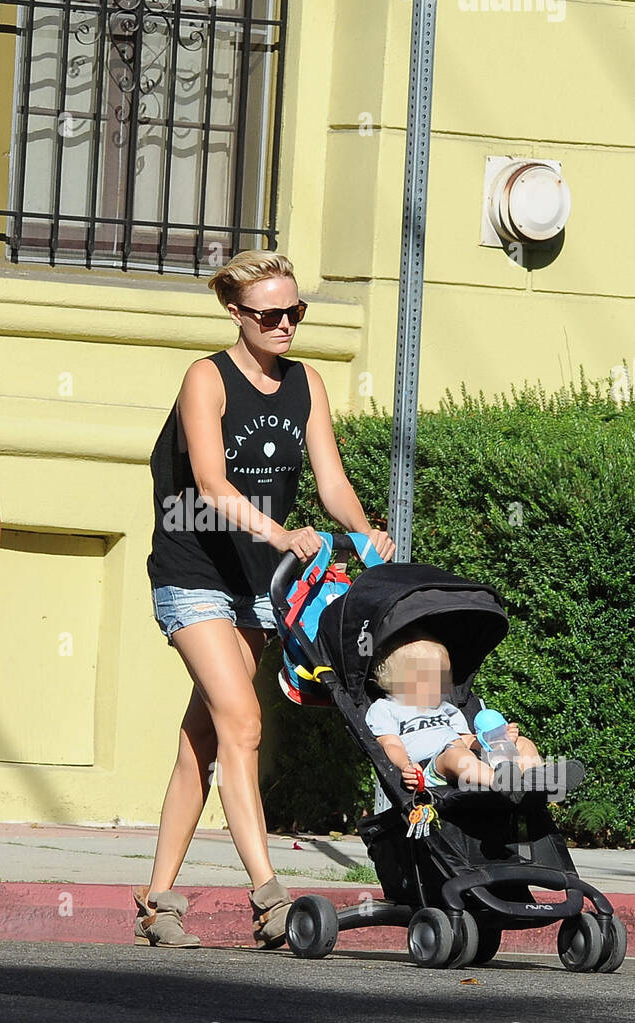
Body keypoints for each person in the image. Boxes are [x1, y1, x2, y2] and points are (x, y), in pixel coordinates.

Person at [139, 249, 396, 949]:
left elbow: (332, 481)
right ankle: (270, 894)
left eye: (295, 312)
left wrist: (365, 531)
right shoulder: (207, 378)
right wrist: (283, 533)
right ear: (237, 314)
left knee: (206, 735)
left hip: (258, 586)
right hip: (192, 571)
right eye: (270, 314)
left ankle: (158, 901)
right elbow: (213, 485)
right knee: (244, 723)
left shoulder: (306, 382)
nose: (285, 324)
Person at [366, 631, 580, 809]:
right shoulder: (385, 708)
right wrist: (406, 765)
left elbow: (467, 740)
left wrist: (496, 738)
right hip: (432, 769)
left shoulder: (445, 709)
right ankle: (504, 783)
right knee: (454, 754)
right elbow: (390, 743)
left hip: (469, 760)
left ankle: (537, 777)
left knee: (522, 743)